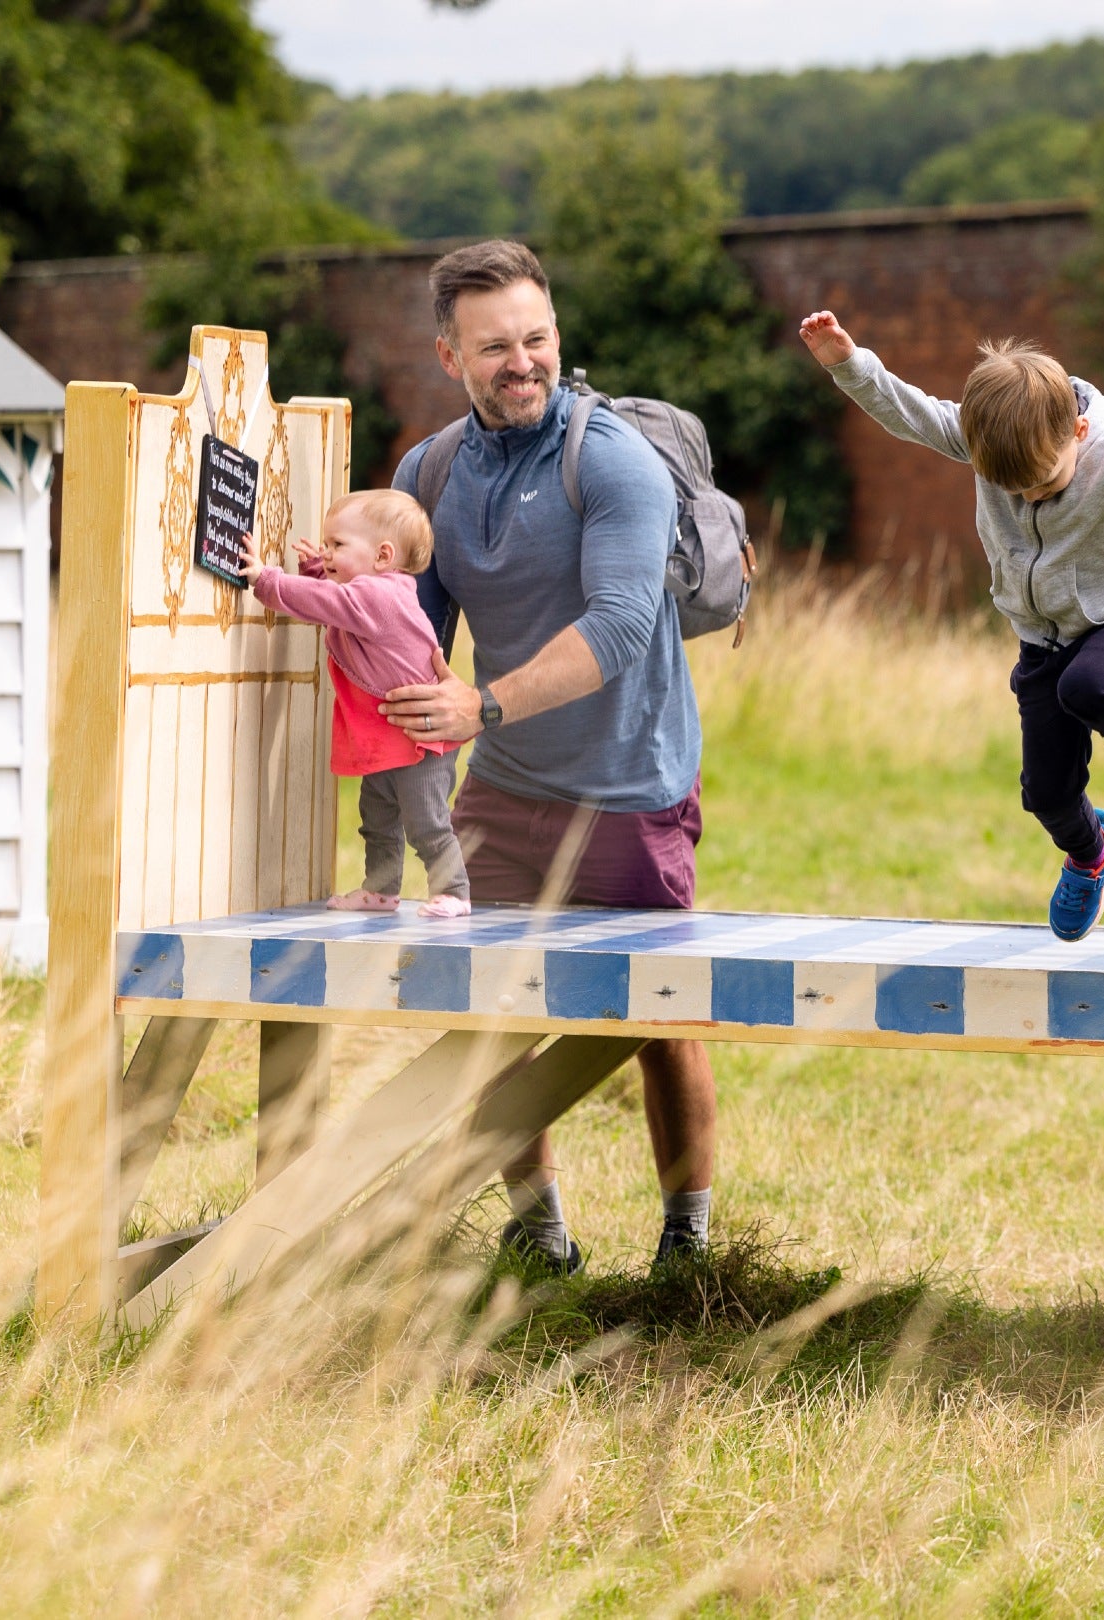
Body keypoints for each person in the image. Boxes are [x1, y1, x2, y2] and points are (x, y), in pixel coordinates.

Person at [377, 239, 717, 1277]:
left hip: (629, 789)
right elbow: (408, 641)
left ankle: (688, 1240)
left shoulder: (609, 458)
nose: (520, 362)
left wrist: (482, 704)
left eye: (536, 340)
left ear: (556, 339)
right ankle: (538, 1228)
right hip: (506, 787)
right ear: (449, 356)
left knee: (663, 1016)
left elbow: (619, 626)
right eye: (494, 348)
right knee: (488, 1001)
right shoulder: (427, 473)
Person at [795, 310, 1104, 939]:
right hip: (1042, 641)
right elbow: (908, 411)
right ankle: (1090, 852)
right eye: (1011, 487)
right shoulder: (986, 439)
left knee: (1086, 687)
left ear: (1079, 431)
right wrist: (846, 362)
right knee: (1046, 793)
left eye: (1045, 481)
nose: (1029, 498)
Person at [245, 489, 469, 920]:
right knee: (377, 815)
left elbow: (331, 603)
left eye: (338, 546)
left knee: (426, 821)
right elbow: (338, 598)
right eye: (326, 545)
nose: (327, 552)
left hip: (422, 741)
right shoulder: (370, 593)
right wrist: (319, 568)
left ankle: (455, 890)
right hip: (392, 740)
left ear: (383, 556)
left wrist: (265, 579)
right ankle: (381, 890)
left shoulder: (382, 596)